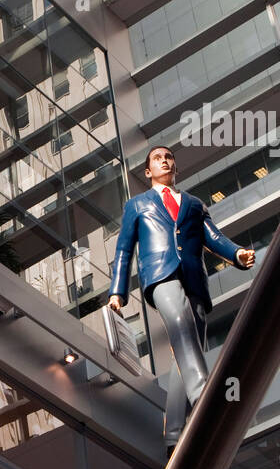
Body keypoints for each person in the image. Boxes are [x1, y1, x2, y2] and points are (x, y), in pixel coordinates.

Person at [108, 145, 254, 453]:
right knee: (178, 323)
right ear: (148, 171)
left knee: (184, 350)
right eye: (158, 158)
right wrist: (117, 292)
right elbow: (123, 249)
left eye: (169, 157)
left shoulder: (194, 204)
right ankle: (204, 396)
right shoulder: (137, 205)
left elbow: (213, 238)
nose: (165, 161)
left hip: (194, 279)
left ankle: (174, 434)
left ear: (176, 166)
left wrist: (237, 255)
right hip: (160, 275)